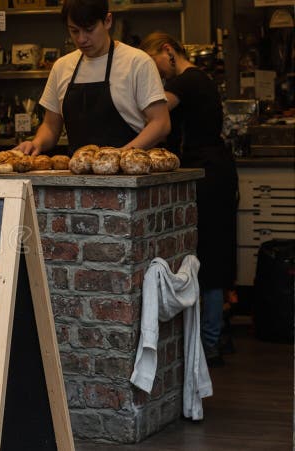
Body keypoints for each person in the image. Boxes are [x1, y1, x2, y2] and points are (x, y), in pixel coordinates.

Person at [140, 32, 239, 367]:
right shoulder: (197, 80)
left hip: (209, 174)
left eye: (154, 65)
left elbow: (155, 118)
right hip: (214, 171)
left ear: (168, 50)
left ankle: (209, 342)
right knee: (214, 251)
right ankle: (215, 335)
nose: (156, 74)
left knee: (208, 254)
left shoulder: (187, 81)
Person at [14, 0, 170, 156]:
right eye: (74, 31)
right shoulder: (61, 67)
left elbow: (161, 123)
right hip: (78, 169)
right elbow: (50, 126)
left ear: (107, 21)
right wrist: (36, 143)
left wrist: (119, 155)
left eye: (89, 30)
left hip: (128, 167)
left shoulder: (137, 62)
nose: (81, 39)